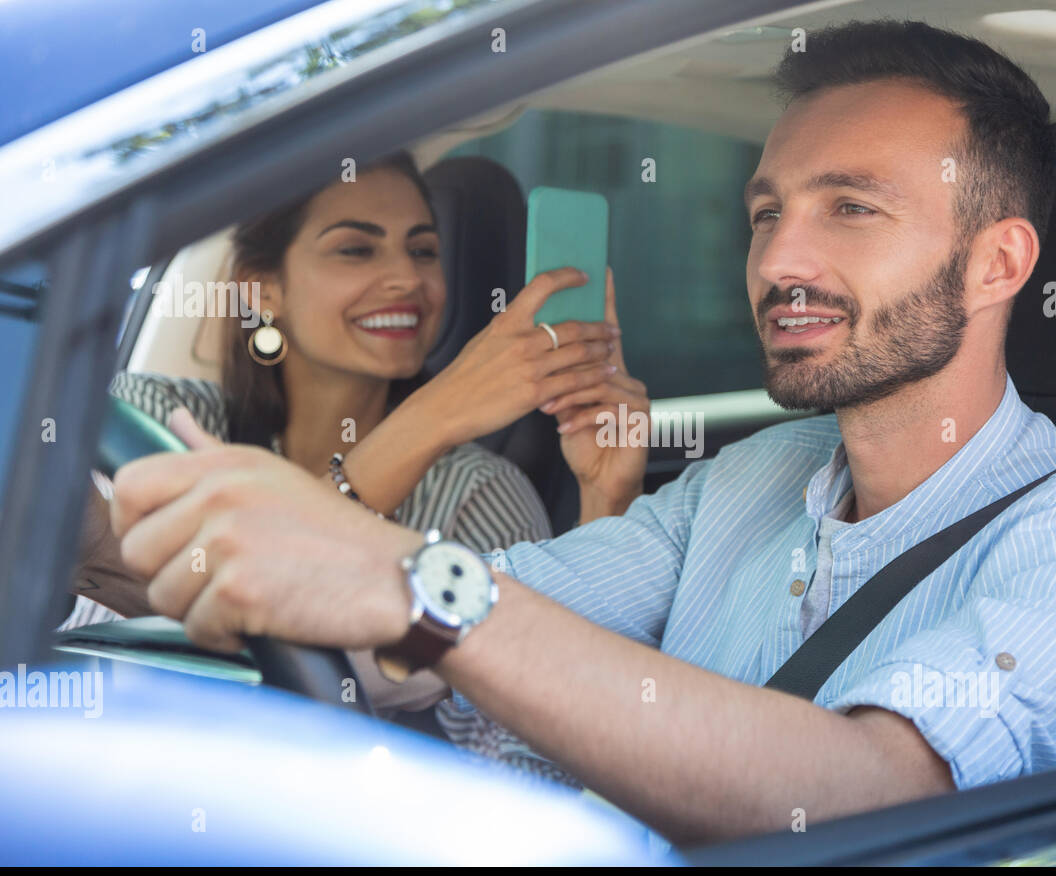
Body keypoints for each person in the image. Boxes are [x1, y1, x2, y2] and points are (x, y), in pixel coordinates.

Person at [109, 21, 1056, 846]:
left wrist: (415, 584)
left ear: (998, 263)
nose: (781, 260)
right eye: (765, 212)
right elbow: (480, 623)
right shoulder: (745, 482)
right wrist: (101, 531)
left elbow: (868, 793)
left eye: (852, 207)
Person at [69, 153, 650, 784]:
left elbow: (521, 765)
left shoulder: (478, 494)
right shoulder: (152, 418)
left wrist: (599, 504)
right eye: (356, 250)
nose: (406, 277)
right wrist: (435, 413)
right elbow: (102, 612)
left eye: (425, 251)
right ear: (265, 290)